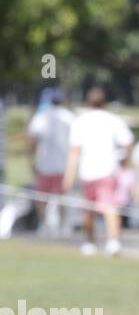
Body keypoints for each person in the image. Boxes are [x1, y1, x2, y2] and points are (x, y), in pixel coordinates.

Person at [63, 87, 134, 257]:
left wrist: (69, 176)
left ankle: (90, 242)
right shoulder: (113, 120)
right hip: (107, 170)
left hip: (88, 172)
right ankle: (113, 242)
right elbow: (128, 143)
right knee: (109, 207)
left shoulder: (80, 121)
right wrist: (124, 160)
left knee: (90, 210)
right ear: (105, 102)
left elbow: (74, 152)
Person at [26, 87, 75, 235]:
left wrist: (31, 160)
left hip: (45, 165)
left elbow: (32, 141)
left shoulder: (41, 117)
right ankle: (62, 225)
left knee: (42, 197)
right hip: (62, 164)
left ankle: (45, 225)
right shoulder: (69, 117)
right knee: (61, 197)